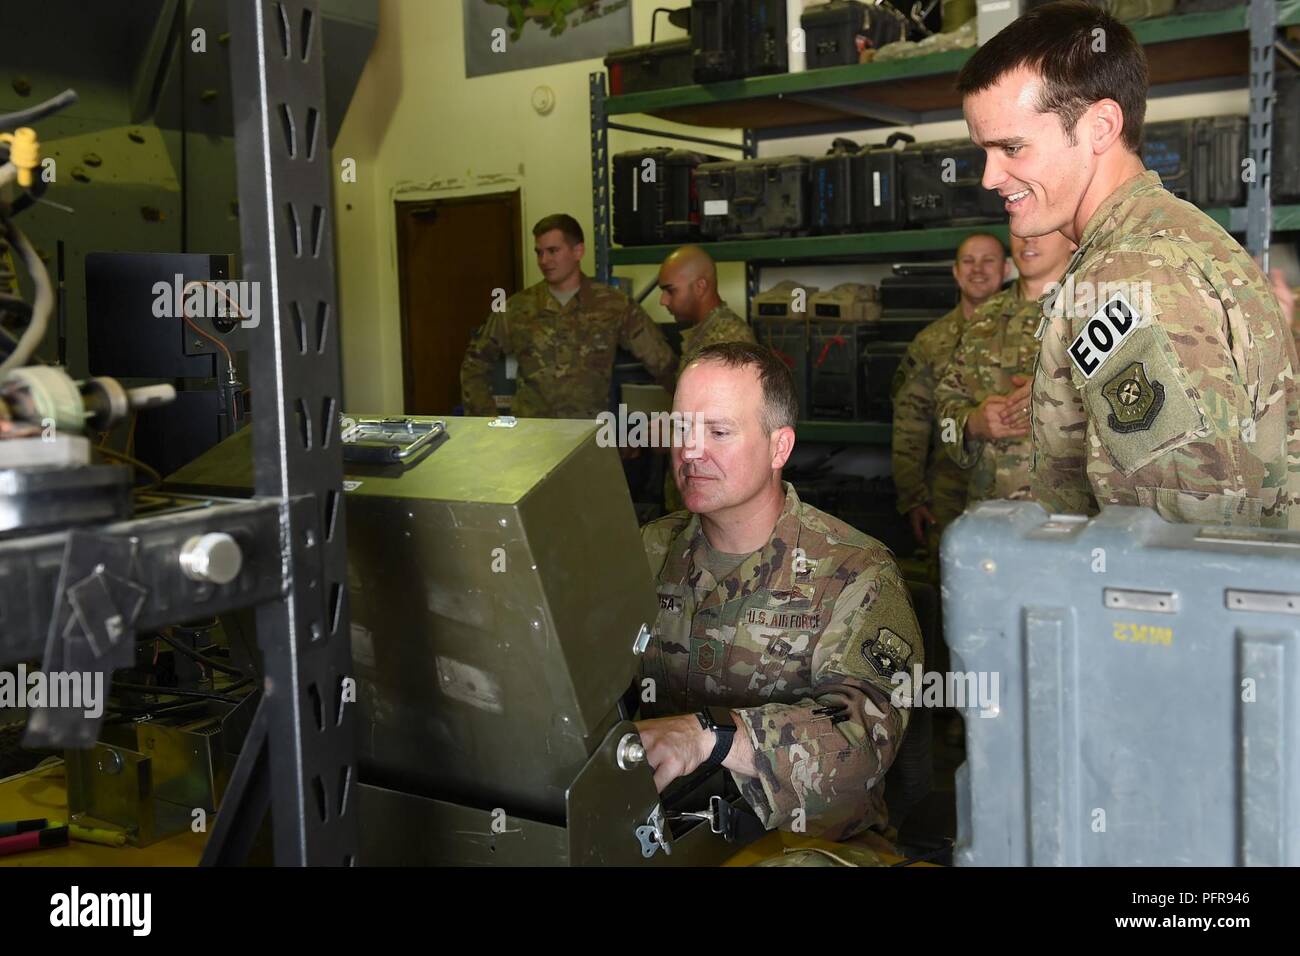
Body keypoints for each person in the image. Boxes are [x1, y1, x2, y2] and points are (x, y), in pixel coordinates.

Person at [959, 1, 1300, 527]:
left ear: (1100, 127)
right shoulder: (1170, 235)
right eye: (984, 150)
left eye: (1011, 147)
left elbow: (1175, 538)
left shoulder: (1127, 272)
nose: (989, 176)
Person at [636, 341, 923, 840]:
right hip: (669, 835)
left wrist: (710, 736)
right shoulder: (649, 549)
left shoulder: (857, 571)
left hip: (808, 843)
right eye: (681, 428)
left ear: (779, 447)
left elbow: (862, 739)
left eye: (719, 432)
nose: (690, 451)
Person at [460, 214, 676, 419]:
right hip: (532, 438)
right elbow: (475, 363)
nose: (544, 260)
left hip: (588, 437)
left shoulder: (613, 305)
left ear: (578, 251)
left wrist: (687, 418)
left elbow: (663, 363)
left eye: (553, 251)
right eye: (539, 252)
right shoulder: (516, 309)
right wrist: (488, 422)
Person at [891, 233, 1010, 562]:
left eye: (988, 260)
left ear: (1006, 270)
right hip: (950, 491)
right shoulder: (931, 342)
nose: (978, 269)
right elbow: (909, 424)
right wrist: (912, 496)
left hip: (1013, 492)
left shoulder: (1031, 333)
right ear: (956, 272)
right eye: (968, 261)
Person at [934, 231, 1074, 502]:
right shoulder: (985, 316)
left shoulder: (1097, 308)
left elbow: (1133, 413)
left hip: (1068, 516)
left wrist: (1058, 393)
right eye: (1020, 231)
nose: (1028, 240)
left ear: (1072, 238)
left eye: (1043, 231)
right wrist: (973, 424)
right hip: (987, 514)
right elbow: (943, 414)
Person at [656, 245, 755, 512]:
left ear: (700, 286)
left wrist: (652, 433)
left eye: (670, 290)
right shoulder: (704, 335)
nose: (663, 301)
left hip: (712, 504)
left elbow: (722, 430)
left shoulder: (727, 341)